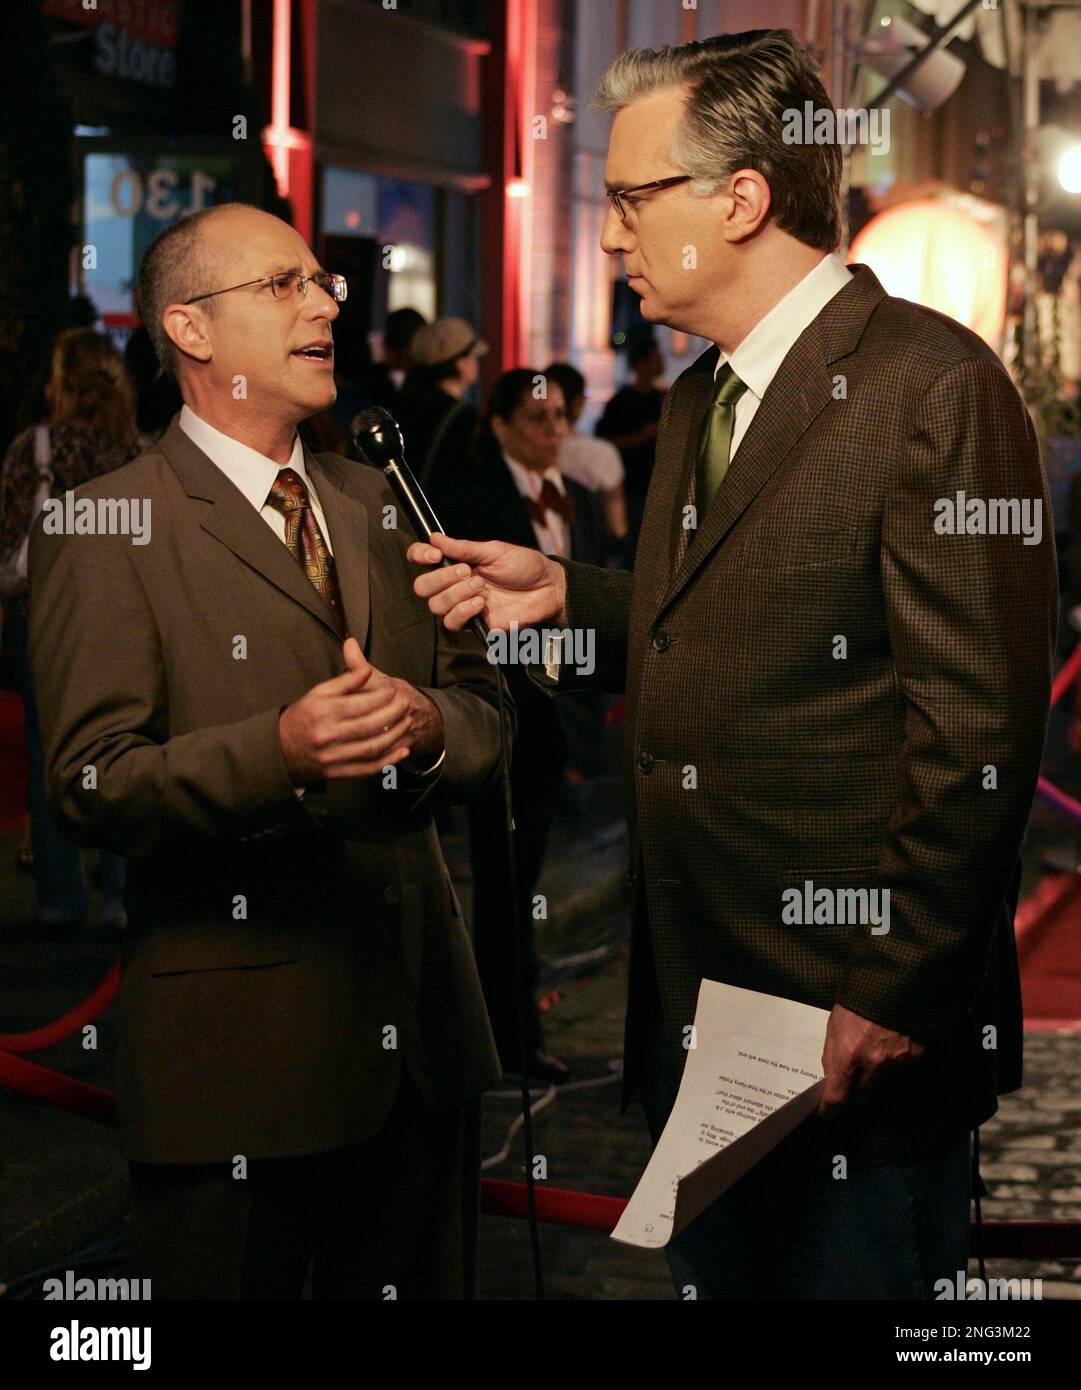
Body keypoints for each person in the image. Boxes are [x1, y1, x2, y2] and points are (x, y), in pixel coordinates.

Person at [408, 30, 1057, 1300]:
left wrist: (890, 993)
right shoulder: (711, 397)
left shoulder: (933, 387)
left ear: (741, 199)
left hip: (847, 1045)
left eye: (631, 198)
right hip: (701, 1029)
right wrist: (567, 600)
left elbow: (976, 735)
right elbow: (721, 618)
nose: (608, 237)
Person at [28, 203, 507, 1299]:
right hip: (236, 1071)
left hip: (420, 1047)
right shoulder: (108, 527)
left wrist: (432, 727)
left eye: (322, 283)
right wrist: (281, 752)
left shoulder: (378, 498)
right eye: (282, 285)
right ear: (190, 332)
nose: (325, 302)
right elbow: (88, 783)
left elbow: (485, 705)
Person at [439, 369, 606, 1085]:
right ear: (501, 423)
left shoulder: (582, 502)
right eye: (538, 418)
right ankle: (504, 1038)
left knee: (527, 872)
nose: (554, 430)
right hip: (503, 714)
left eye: (562, 417)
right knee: (504, 884)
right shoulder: (474, 500)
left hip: (562, 715)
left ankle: (513, 1031)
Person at [1, 328, 137, 928]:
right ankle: (120, 892)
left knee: (45, 752)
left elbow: (8, 538)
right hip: (120, 620)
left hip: (41, 622)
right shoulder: (136, 451)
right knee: (124, 749)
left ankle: (59, 897)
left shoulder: (31, 448)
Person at [395, 317, 486, 519]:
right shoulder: (466, 418)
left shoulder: (402, 406)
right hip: (445, 523)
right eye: (473, 356)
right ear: (460, 362)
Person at [544, 361, 628, 556]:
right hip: (586, 563)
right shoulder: (601, 454)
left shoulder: (526, 449)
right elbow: (617, 526)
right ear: (578, 403)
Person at [595, 334, 665, 559]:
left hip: (657, 485)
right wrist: (642, 436)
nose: (661, 362)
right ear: (641, 363)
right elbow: (605, 443)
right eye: (656, 358)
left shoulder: (664, 398)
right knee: (631, 545)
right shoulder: (622, 400)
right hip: (630, 485)